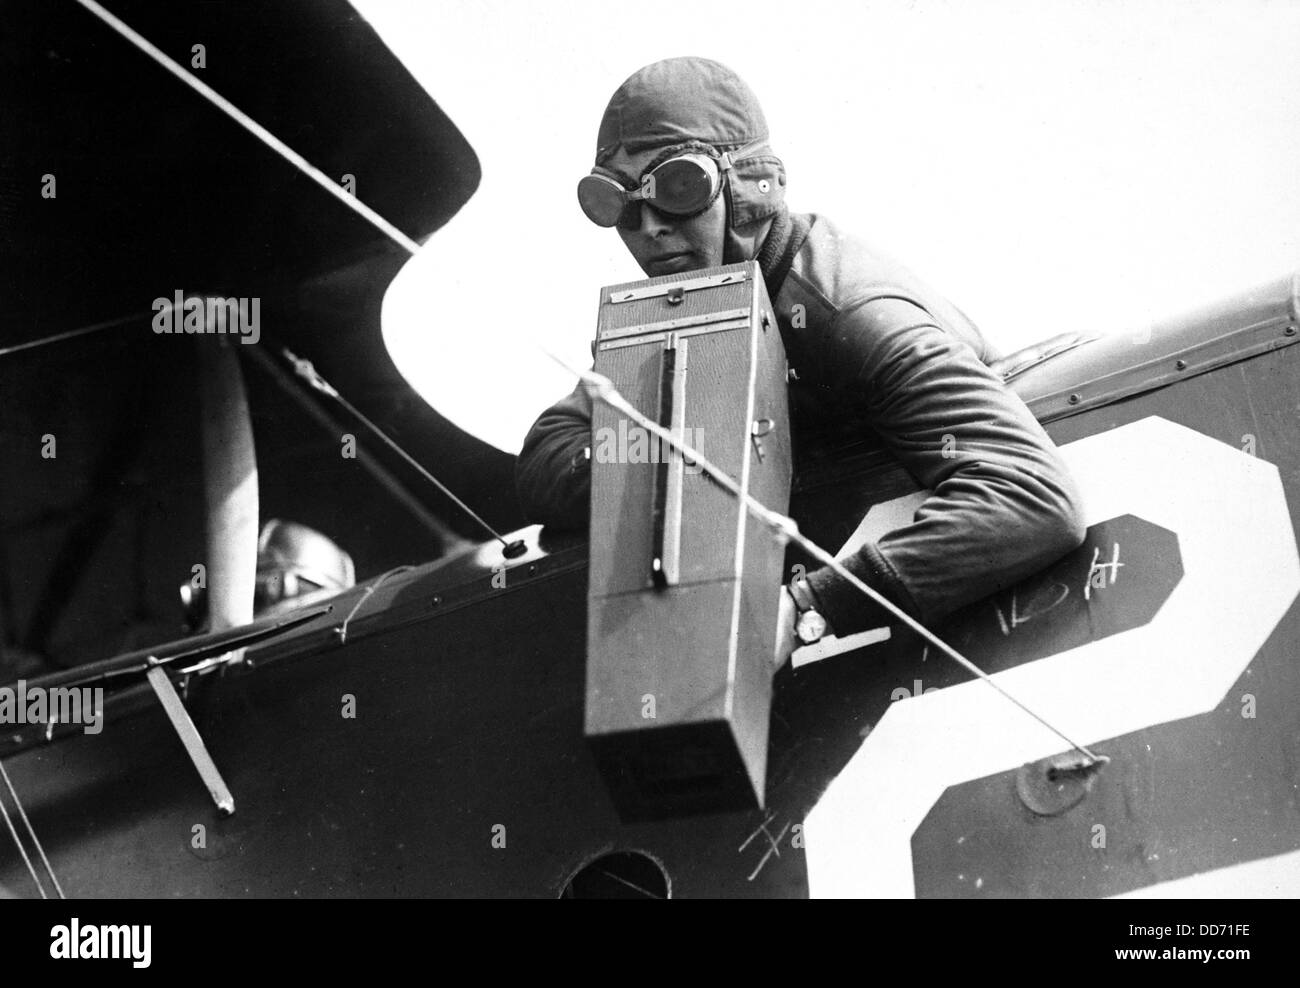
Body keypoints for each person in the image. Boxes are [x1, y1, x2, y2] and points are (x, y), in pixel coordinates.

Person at [517, 56, 1086, 667]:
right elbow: (550, 451)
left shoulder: (848, 312)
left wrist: (809, 609)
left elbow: (1032, 497)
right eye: (622, 205)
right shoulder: (686, 304)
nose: (649, 228)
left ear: (747, 190)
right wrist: (690, 449)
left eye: (679, 190)